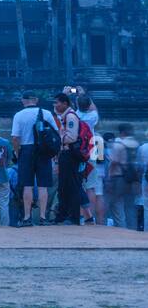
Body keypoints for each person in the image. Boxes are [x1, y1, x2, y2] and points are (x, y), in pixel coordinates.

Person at [10, 91, 57, 228]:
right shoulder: (47, 113)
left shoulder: (18, 115)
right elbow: (55, 134)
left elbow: (15, 138)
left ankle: (27, 217)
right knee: (43, 186)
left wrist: (17, 152)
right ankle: (42, 217)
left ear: (23, 101)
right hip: (43, 151)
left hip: (26, 149)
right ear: (36, 100)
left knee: (27, 185)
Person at [52, 90, 84, 226]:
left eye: (57, 103)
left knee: (71, 186)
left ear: (65, 103)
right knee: (64, 186)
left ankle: (73, 216)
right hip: (66, 154)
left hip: (70, 154)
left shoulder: (70, 117)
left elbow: (71, 137)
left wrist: (57, 139)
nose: (55, 106)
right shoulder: (64, 116)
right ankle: (63, 215)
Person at [106, 124, 141, 230]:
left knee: (116, 204)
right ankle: (132, 229)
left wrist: (109, 178)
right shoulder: (136, 144)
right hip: (133, 178)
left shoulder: (118, 145)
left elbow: (114, 162)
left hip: (119, 177)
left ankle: (121, 229)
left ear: (121, 132)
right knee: (130, 206)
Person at [76, 92, 102, 225]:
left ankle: (81, 215)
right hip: (90, 152)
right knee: (90, 187)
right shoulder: (92, 117)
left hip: (76, 152)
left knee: (77, 185)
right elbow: (94, 109)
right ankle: (90, 217)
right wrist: (85, 95)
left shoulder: (74, 115)